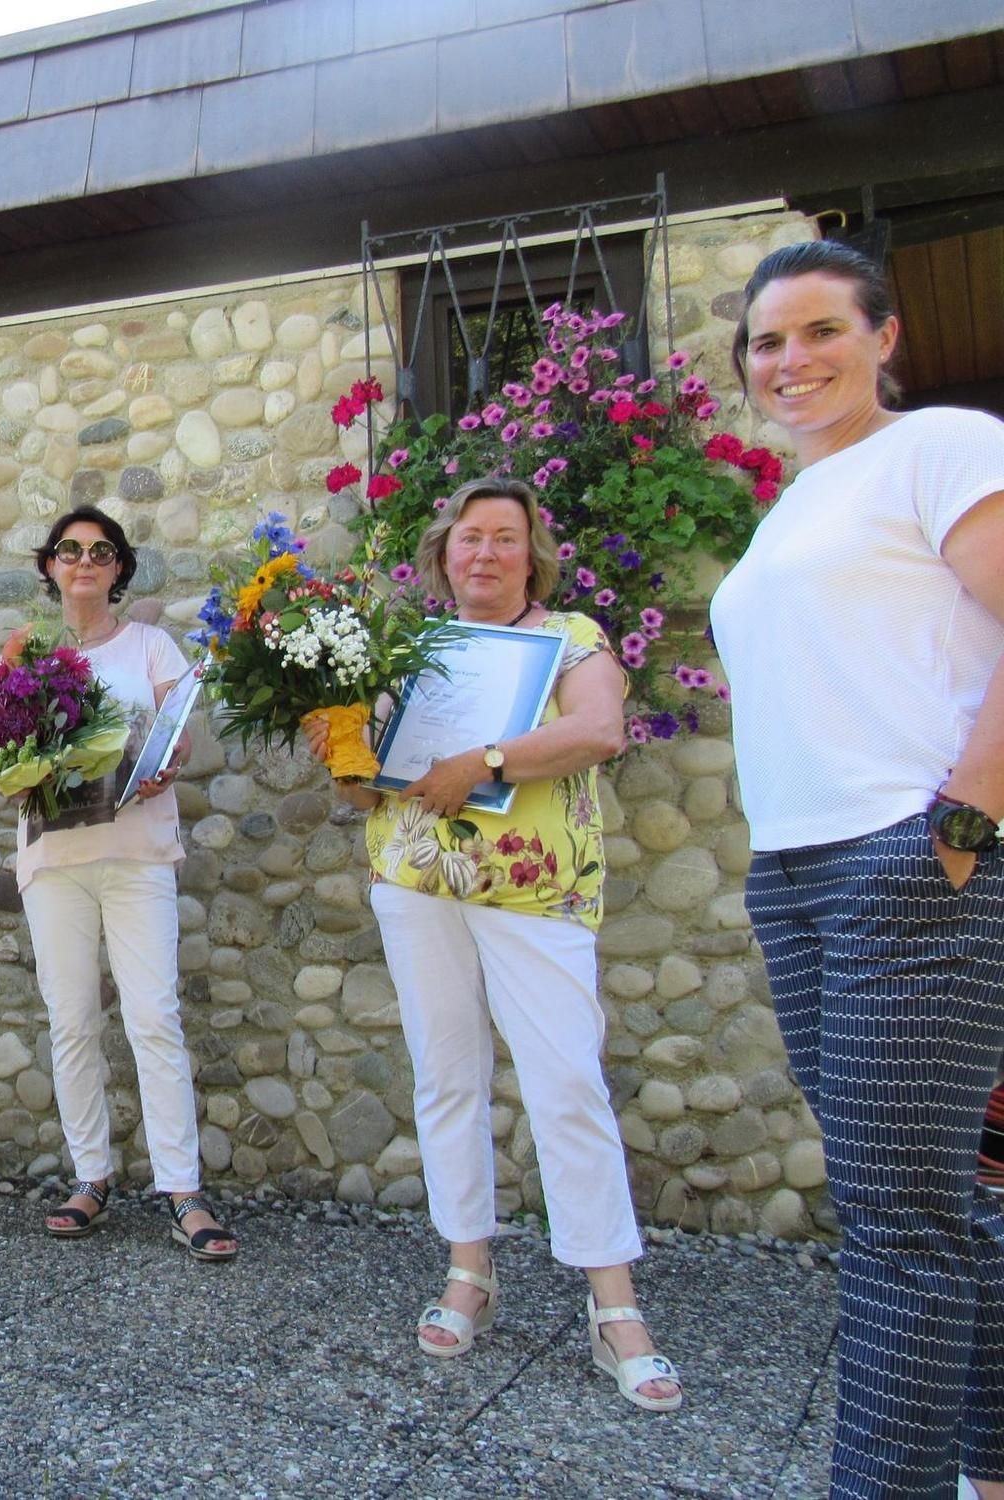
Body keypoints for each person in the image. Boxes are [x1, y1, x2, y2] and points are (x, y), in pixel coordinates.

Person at [711, 239, 1004, 1498]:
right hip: (796, 875)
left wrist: (959, 832)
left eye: (820, 330)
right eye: (767, 342)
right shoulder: (790, 504)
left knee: (895, 1229)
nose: (791, 360)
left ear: (882, 338)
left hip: (905, 864)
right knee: (938, 1210)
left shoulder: (939, 446)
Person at [312, 477, 681, 1409]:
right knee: (446, 1074)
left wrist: (481, 761)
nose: (485, 553)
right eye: (468, 538)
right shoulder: (404, 653)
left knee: (566, 1082)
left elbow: (598, 729)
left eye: (504, 538)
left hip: (536, 890)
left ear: (532, 555)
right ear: (443, 555)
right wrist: (341, 751)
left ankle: (613, 1302)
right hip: (415, 884)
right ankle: (468, 1268)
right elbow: (370, 792)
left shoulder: (572, 640)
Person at [18, 507, 236, 1260]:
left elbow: (183, 731)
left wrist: (171, 760)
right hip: (55, 862)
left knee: (153, 1017)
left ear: (119, 568)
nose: (85, 562)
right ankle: (90, 1177)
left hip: (138, 852)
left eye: (101, 551)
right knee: (72, 1020)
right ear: (49, 566)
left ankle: (182, 1190)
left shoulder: (150, 645)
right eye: (70, 551)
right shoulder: (29, 655)